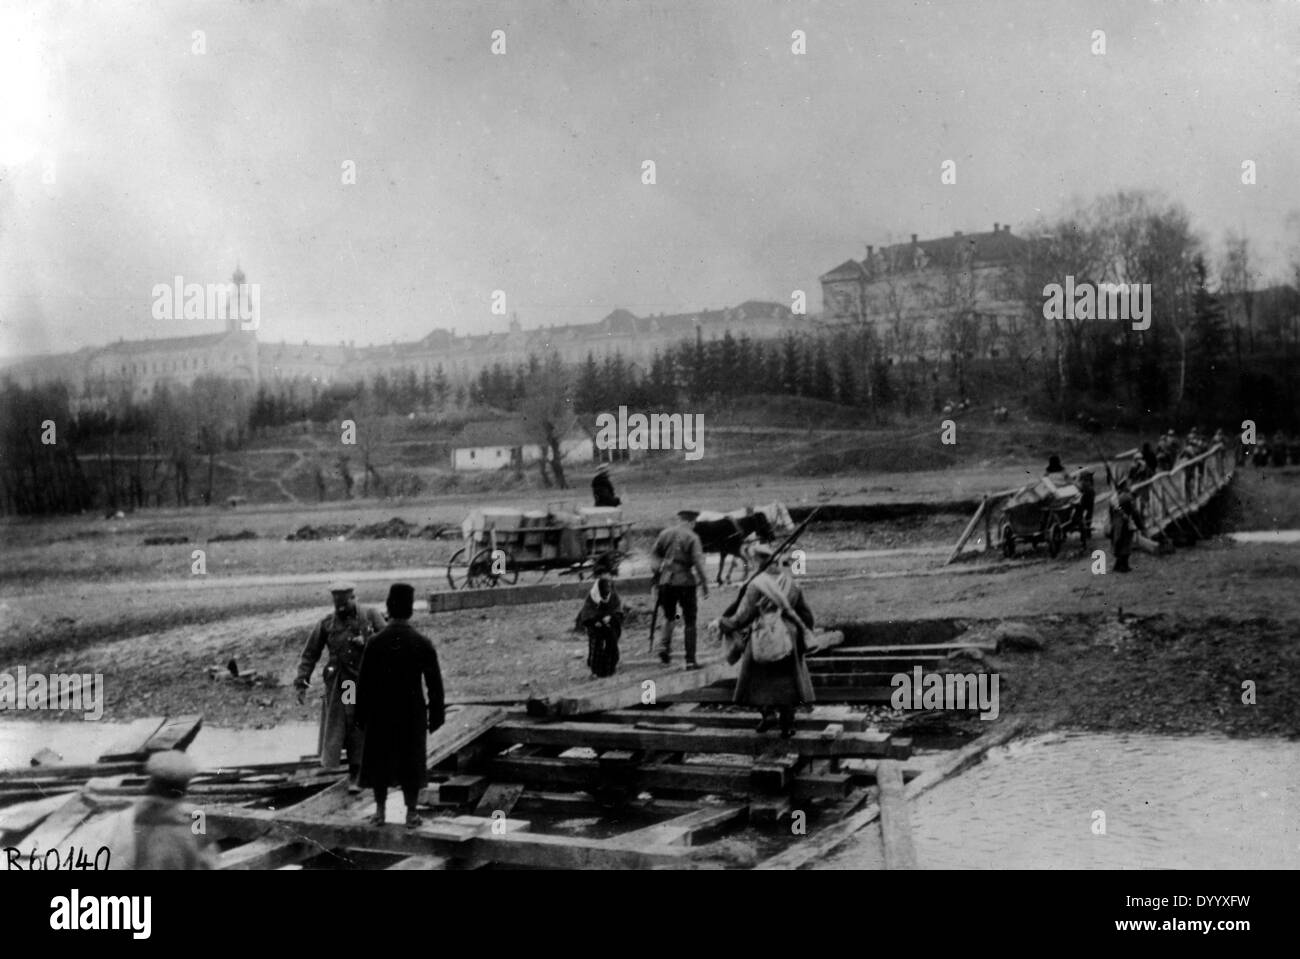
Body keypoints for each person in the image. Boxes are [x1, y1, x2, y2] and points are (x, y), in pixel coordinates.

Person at [356, 583, 445, 828]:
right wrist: (436, 717)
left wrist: (359, 716)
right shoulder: (422, 643)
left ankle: (380, 812)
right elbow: (435, 686)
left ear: (389, 608)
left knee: (378, 760)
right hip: (411, 711)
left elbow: (362, 685)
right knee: (412, 761)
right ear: (410, 610)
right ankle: (411, 814)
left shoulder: (375, 643)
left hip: (380, 712)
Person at [294, 582, 386, 792]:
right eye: (338, 606)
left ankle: (364, 770)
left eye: (346, 604)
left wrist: (369, 641)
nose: (342, 609)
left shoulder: (370, 615)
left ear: (354, 598)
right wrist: (301, 682)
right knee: (350, 724)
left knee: (365, 726)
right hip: (345, 684)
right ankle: (355, 772)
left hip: (369, 680)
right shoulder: (327, 623)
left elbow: (391, 640)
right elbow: (310, 654)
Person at [717, 543, 815, 738]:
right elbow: (806, 614)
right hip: (790, 635)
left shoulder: (756, 584)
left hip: (763, 635)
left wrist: (724, 623)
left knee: (757, 677)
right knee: (788, 680)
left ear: (758, 562)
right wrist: (803, 636)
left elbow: (743, 616)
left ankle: (767, 713)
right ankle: (788, 723)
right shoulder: (791, 583)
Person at [98, 750, 217, 870]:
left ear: (151, 784)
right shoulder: (197, 821)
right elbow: (207, 862)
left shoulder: (127, 820)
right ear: (184, 788)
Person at [650, 509, 710, 668]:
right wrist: (705, 584)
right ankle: (690, 660)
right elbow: (698, 563)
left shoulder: (665, 534)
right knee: (690, 621)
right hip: (685, 582)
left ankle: (664, 648)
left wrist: (657, 575)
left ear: (680, 520)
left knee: (669, 616)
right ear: (692, 522)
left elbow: (654, 556)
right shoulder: (692, 537)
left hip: (665, 582)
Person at [575, 553, 623, 677]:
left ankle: (609, 667)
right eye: (605, 574)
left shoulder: (611, 587)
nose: (607, 577)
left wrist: (612, 617)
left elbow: (616, 605)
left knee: (612, 639)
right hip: (595, 619)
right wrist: (599, 619)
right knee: (596, 642)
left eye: (609, 574)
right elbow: (589, 610)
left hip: (609, 618)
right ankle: (596, 668)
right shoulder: (595, 590)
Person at [1108, 491, 1145, 573]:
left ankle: (1118, 565)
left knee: (1118, 544)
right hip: (1124, 524)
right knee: (1126, 545)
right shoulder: (1129, 499)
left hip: (1116, 523)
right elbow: (1135, 514)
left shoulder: (1116, 497)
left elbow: (1110, 511)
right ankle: (1123, 566)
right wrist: (1141, 527)